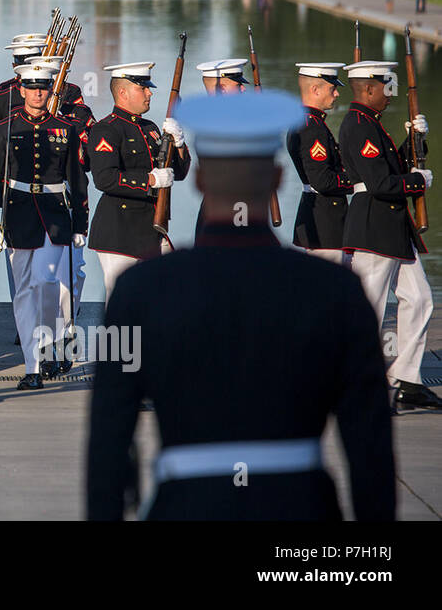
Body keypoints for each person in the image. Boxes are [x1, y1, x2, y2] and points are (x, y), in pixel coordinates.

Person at [87, 89, 396, 520]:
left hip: (185, 506)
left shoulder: (141, 292)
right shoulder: (334, 290)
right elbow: (370, 448)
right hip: (299, 507)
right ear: (275, 179)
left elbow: (107, 440)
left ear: (198, 181)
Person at [338, 60, 442, 410]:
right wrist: (417, 182)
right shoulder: (358, 125)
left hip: (393, 231)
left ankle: (407, 379)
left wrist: (413, 140)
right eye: (385, 86)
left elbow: (389, 166)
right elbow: (382, 184)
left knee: (421, 299)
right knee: (369, 309)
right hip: (373, 229)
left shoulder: (372, 124)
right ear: (368, 88)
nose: (390, 93)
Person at [0, 62, 88, 390]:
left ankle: (49, 340)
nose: (37, 93)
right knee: (24, 290)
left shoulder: (64, 127)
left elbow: (77, 179)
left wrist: (81, 223)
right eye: (31, 88)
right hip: (18, 212)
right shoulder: (6, 127)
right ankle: (33, 366)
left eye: (43, 87)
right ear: (22, 90)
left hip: (55, 215)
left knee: (46, 282)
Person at [87, 62, 190, 298]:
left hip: (152, 227)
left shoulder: (151, 128)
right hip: (119, 232)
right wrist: (150, 180)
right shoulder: (106, 130)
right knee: (124, 302)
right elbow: (104, 178)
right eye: (142, 88)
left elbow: (180, 173)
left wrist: (180, 143)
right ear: (123, 92)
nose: (149, 93)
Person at [286, 63, 352, 263]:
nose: (337, 94)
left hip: (320, 216)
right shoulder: (312, 128)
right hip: (326, 222)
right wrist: (359, 180)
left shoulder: (305, 122)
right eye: (332, 89)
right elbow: (322, 180)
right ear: (315, 90)